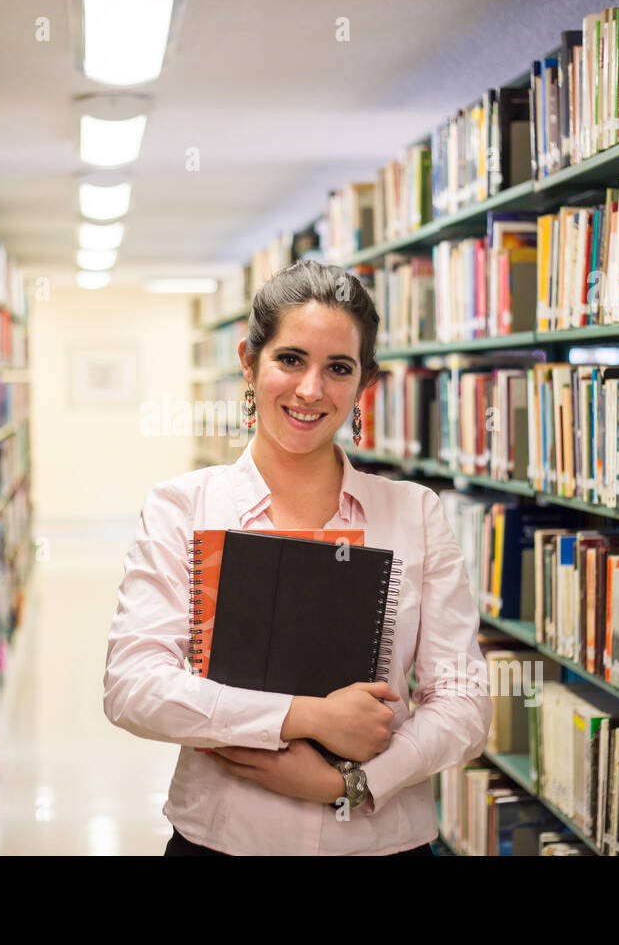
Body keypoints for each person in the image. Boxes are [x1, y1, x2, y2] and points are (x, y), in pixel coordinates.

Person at [102, 260, 492, 855]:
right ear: (249, 363)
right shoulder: (183, 507)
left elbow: (464, 702)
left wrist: (351, 783)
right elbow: (132, 687)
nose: (311, 390)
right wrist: (307, 717)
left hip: (379, 844)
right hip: (223, 842)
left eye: (338, 368)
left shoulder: (414, 514)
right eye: (290, 359)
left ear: (364, 385)